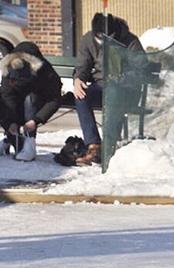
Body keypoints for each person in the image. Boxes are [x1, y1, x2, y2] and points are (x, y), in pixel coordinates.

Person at [72, 13, 143, 166]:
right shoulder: (88, 39)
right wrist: (78, 79)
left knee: (114, 95)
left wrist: (121, 79)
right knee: (81, 96)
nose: (103, 42)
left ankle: (109, 145)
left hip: (125, 89)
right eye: (99, 39)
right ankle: (94, 145)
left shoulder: (130, 41)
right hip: (101, 86)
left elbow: (140, 69)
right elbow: (83, 65)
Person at [0, 41, 62, 161]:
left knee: (31, 99)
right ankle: (12, 138)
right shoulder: (9, 69)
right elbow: (7, 96)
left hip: (36, 103)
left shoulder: (46, 73)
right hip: (16, 105)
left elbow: (54, 99)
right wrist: (10, 123)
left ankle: (29, 141)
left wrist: (36, 120)